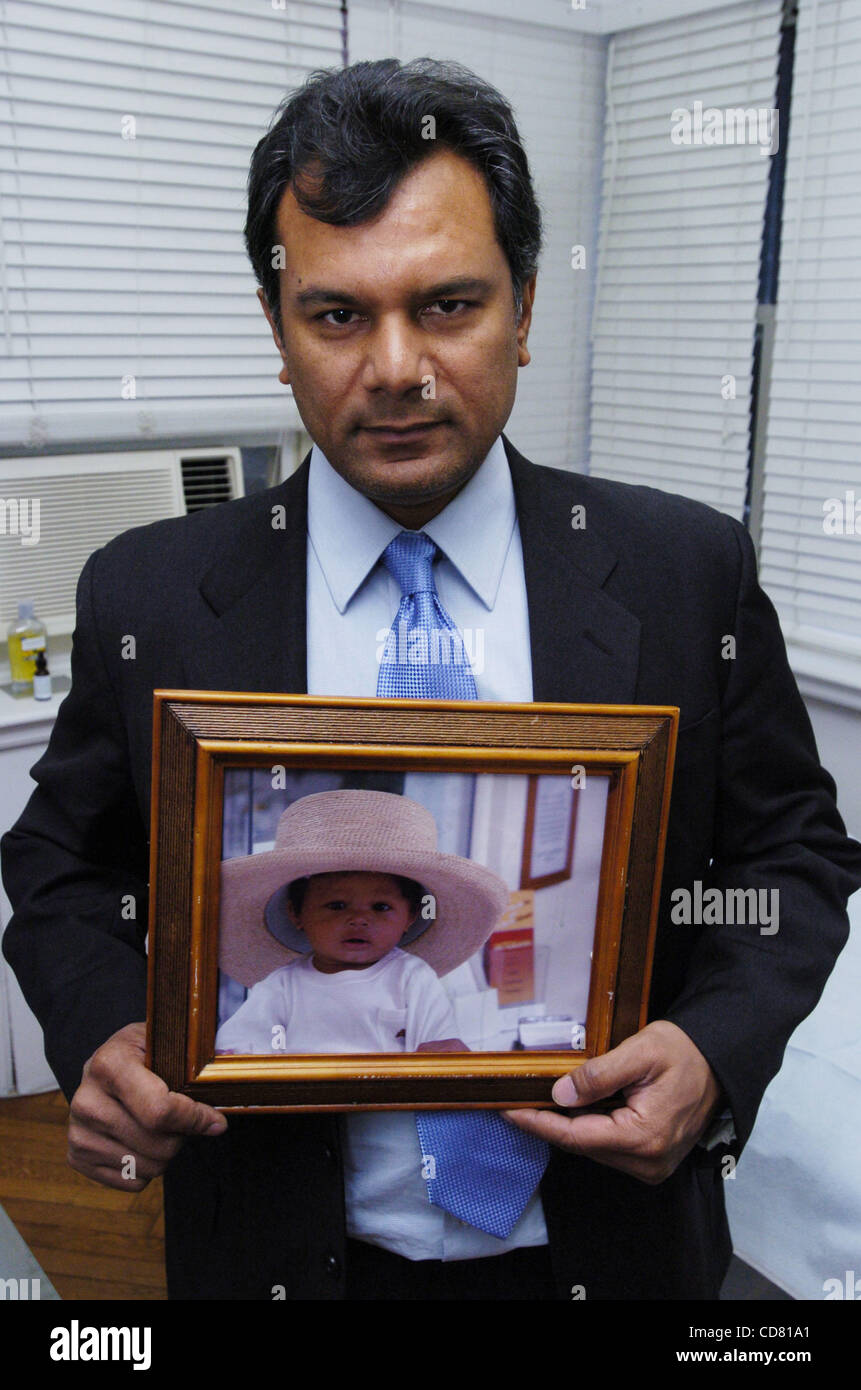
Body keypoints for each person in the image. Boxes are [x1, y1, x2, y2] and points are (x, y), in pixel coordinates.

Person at [3, 57, 861, 1301]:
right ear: (276, 323)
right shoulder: (149, 594)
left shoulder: (684, 569)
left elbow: (793, 857)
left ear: (521, 308)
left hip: (611, 1251)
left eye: (448, 305)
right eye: (339, 315)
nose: (396, 368)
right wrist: (99, 1037)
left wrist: (714, 1049)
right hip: (281, 1250)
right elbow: (63, 866)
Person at [213, 787, 508, 1054]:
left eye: (381, 907)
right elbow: (239, 1046)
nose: (359, 919)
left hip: (386, 1107)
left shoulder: (411, 978)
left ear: (410, 917)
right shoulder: (283, 986)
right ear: (296, 914)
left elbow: (437, 1049)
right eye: (337, 905)